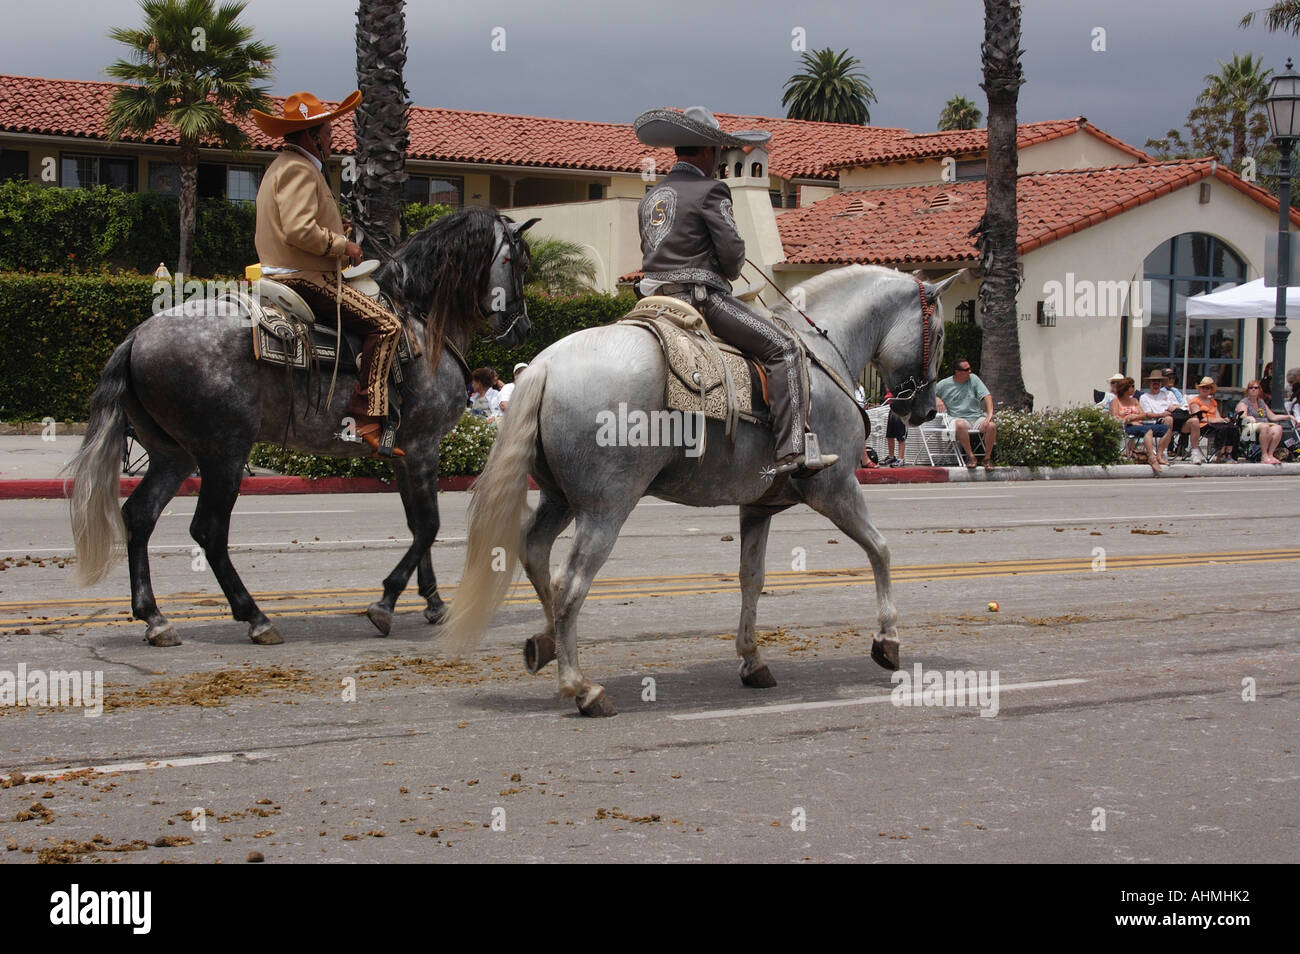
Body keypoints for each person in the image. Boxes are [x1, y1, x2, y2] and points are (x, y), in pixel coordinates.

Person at [633, 106, 836, 477]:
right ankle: (791, 449)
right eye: (720, 154)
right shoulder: (712, 189)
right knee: (785, 348)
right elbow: (731, 255)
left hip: (650, 302)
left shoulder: (652, 196)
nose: (721, 162)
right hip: (698, 300)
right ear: (708, 151)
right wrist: (730, 265)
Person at [251, 90, 404, 458]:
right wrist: (344, 246)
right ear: (311, 136)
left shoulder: (283, 166)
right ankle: (366, 416)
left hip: (285, 271)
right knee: (387, 326)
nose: (333, 139)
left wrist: (336, 225)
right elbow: (299, 230)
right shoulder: (300, 170)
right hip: (303, 278)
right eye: (329, 133)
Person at [934, 358, 996, 470]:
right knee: (960, 424)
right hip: (957, 417)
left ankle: (987, 458)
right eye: (966, 369)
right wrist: (937, 399)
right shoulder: (944, 384)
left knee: (991, 425)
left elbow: (987, 396)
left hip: (976, 416)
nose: (970, 371)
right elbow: (930, 393)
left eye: (970, 368)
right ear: (957, 371)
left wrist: (989, 416)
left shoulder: (973, 379)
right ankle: (971, 457)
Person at [1110, 376, 1166, 474]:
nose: (1134, 388)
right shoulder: (1116, 401)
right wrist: (1128, 419)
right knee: (1148, 431)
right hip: (1128, 426)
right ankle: (1152, 459)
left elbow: (1143, 415)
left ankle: (1160, 455)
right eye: (1132, 386)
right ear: (1125, 388)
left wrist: (1134, 417)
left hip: (1140, 424)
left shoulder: (1135, 400)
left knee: (1166, 429)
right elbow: (1115, 417)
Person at [1136, 370, 1187, 464]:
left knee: (1194, 421)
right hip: (1154, 422)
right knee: (1168, 419)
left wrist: (1173, 408)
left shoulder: (1169, 394)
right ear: (1149, 383)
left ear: (1161, 383)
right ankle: (1163, 451)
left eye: (1158, 381)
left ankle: (1194, 452)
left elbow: (1178, 406)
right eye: (1153, 381)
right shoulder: (1145, 397)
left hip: (1173, 419)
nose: (1156, 383)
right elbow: (1148, 414)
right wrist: (1162, 414)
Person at [1187, 377, 1239, 462]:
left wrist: (1223, 419)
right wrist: (1213, 420)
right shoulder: (1195, 401)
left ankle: (1228, 453)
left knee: (1233, 427)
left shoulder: (1213, 402)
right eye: (1203, 387)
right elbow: (1198, 417)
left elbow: (1217, 416)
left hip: (1215, 424)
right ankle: (1220, 453)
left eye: (1207, 387)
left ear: (1210, 389)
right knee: (1223, 428)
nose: (1205, 389)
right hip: (1202, 425)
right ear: (1199, 388)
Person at [1236, 379, 1288, 464]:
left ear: (1259, 390)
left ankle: (1270, 454)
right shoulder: (1244, 402)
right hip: (1248, 427)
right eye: (1251, 388)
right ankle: (1264, 455)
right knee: (1265, 427)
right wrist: (1249, 417)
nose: (1253, 389)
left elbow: (1272, 416)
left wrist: (1288, 416)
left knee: (1278, 428)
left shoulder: (1261, 402)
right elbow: (1242, 415)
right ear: (1247, 390)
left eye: (1256, 388)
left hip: (1263, 424)